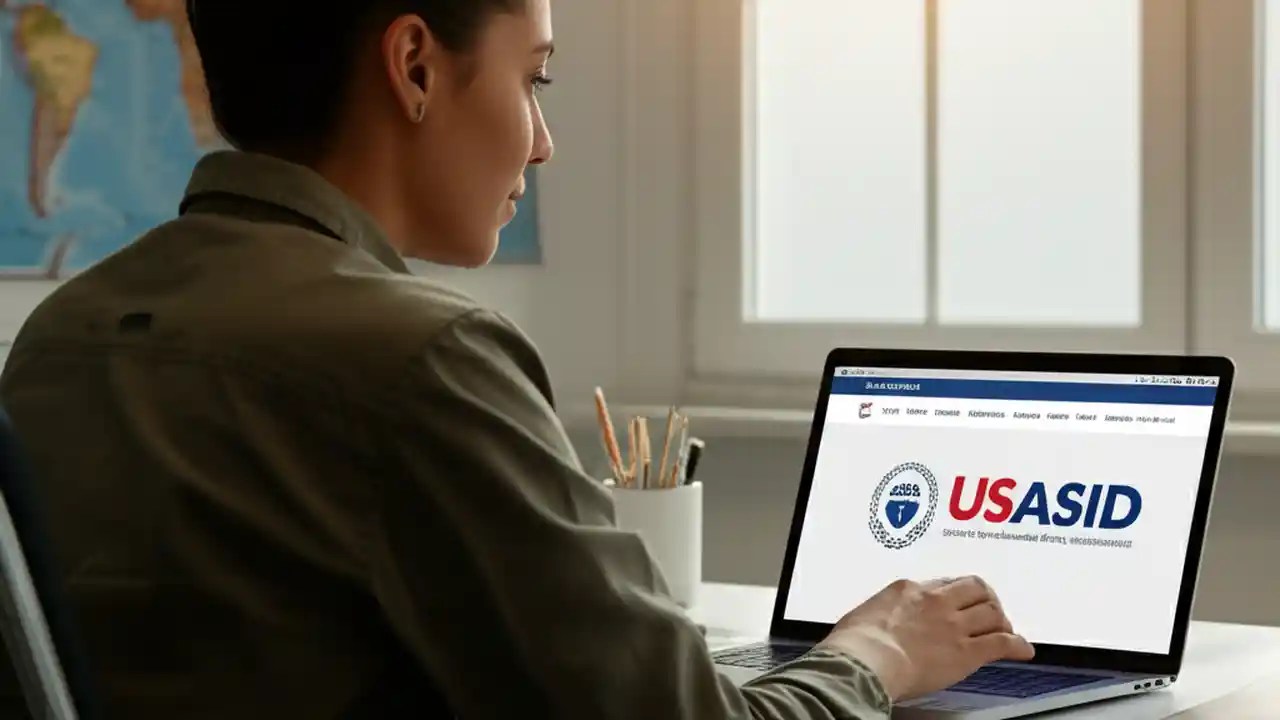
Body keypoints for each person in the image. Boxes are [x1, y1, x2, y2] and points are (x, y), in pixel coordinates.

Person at [0, 1, 1034, 717]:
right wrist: (875, 652)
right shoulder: (422, 358)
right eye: (533, 78)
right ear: (413, 67)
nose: (541, 142)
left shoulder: (63, 335)